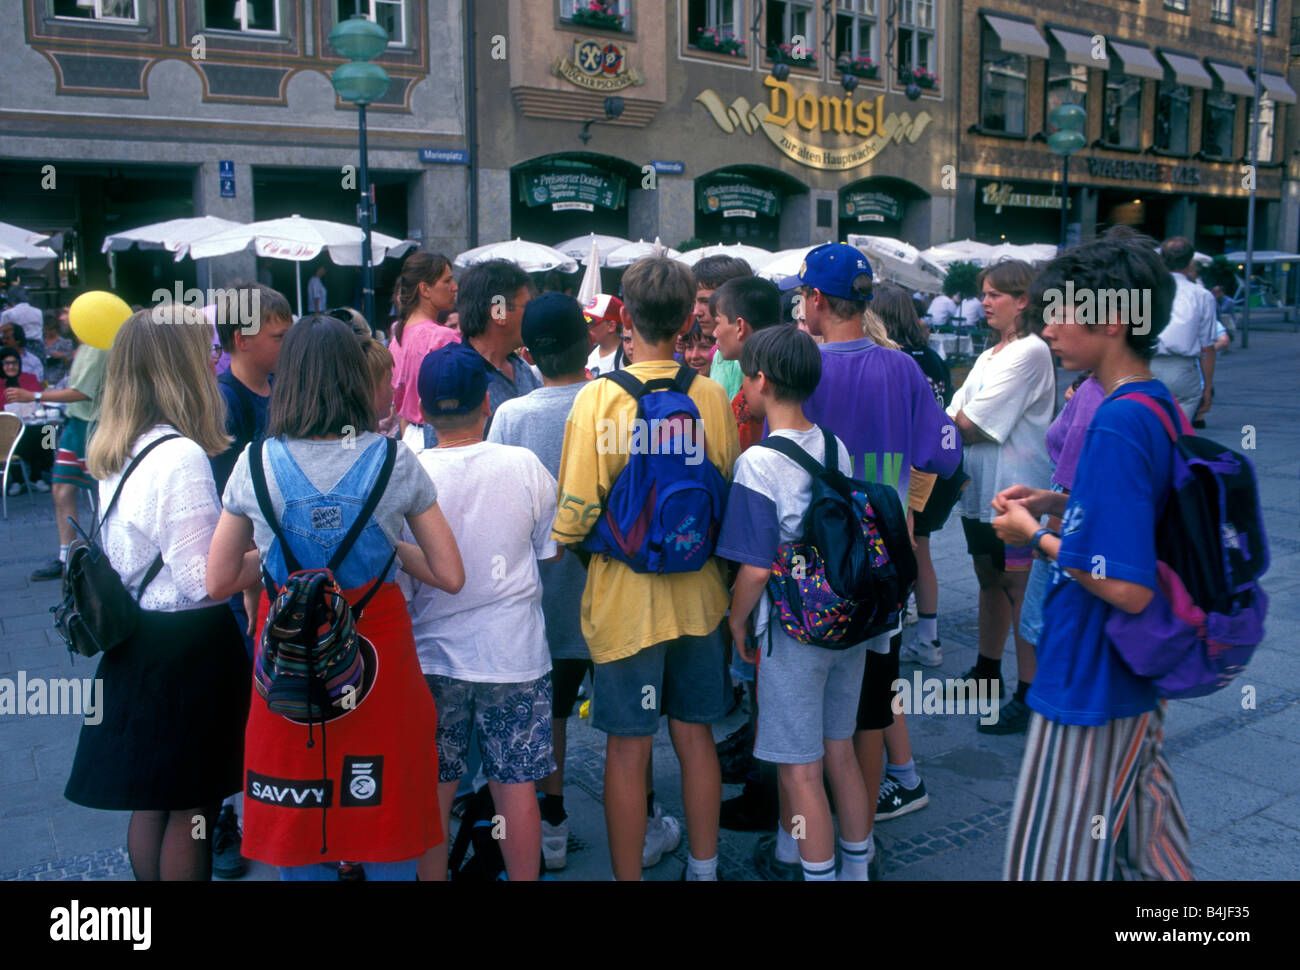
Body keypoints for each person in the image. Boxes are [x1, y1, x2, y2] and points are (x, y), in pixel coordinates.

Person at [207, 314, 464, 881]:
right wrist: (390, 545)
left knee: (300, 819)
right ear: (354, 378)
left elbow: (219, 580)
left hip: (292, 666)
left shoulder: (254, 466)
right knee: (388, 817)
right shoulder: (395, 461)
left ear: (288, 380)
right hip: (378, 662)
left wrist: (274, 561)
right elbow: (450, 573)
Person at [991, 229, 1191, 881]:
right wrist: (1057, 501)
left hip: (1091, 676)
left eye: (1060, 312)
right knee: (1150, 848)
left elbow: (1126, 587)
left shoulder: (1114, 420)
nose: (1048, 330)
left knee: (1049, 864)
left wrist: (1034, 535)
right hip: (1130, 678)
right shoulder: (1151, 403)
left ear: (1110, 320)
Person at [552, 256, 741, 881]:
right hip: (700, 600)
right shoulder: (710, 394)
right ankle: (705, 868)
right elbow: (726, 490)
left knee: (628, 749)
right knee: (696, 737)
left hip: (623, 604)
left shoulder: (597, 399)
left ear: (625, 317)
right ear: (691, 319)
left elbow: (575, 512)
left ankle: (629, 875)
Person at [780, 243, 961, 873]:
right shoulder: (904, 368)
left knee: (805, 710)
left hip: (816, 567)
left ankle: (805, 836)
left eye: (804, 295)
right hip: (887, 563)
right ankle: (862, 843)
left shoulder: (800, 367)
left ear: (817, 301)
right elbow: (945, 453)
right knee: (873, 704)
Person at [63, 305, 251, 881]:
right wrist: (273, 552)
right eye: (208, 350)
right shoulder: (181, 455)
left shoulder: (118, 443)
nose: (216, 359)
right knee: (192, 806)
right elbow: (204, 580)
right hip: (186, 648)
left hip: (140, 642)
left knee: (154, 797)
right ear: (180, 366)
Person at [716, 325, 873, 881]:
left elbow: (756, 567)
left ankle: (816, 872)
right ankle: (856, 867)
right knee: (840, 753)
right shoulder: (835, 445)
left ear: (760, 380)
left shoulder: (758, 463)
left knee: (798, 770)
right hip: (845, 624)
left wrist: (738, 624)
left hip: (793, 632)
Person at [402, 342, 559, 881]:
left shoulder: (410, 474)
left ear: (420, 410)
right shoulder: (524, 466)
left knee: (435, 788)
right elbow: (549, 552)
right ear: (487, 403)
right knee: (515, 788)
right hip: (514, 654)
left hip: (433, 657)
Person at [487, 293, 594, 871]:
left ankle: (551, 819)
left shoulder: (513, 416)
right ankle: (649, 811)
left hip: (544, 590)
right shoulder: (612, 403)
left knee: (550, 707)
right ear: (592, 343)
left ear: (528, 354)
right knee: (629, 713)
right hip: (610, 587)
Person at [202, 281, 292, 878]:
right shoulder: (224, 402)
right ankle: (217, 820)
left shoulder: (280, 388)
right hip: (243, 575)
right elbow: (219, 505)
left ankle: (279, 799)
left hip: (283, 570)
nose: (287, 344)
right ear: (242, 338)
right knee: (236, 699)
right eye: (279, 336)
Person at [945, 260, 1055, 735]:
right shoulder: (994, 351)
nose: (984, 302)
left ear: (1023, 300)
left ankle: (1030, 691)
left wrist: (946, 427)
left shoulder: (1030, 351)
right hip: (980, 489)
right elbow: (954, 412)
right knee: (988, 579)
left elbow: (969, 425)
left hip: (1015, 490)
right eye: (983, 294)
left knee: (1019, 588)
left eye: (994, 294)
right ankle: (987, 673)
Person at [10, 332, 108, 581]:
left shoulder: (99, 347)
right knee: (61, 488)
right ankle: (66, 558)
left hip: (91, 426)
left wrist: (33, 395)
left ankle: (107, 553)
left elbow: (82, 392)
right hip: (75, 425)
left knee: (102, 492)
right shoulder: (84, 347)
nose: (67, 319)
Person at [455, 259, 541, 415]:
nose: (533, 314)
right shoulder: (457, 378)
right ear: (498, 313)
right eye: (527, 307)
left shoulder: (522, 368)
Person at [389, 251, 459, 436]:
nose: (454, 287)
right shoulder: (443, 337)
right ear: (425, 289)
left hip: (409, 434)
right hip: (440, 435)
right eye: (447, 281)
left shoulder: (397, 338)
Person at [1152, 238, 1219, 426]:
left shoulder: (1145, 290)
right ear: (1190, 262)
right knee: (1178, 435)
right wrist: (1208, 387)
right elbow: (1207, 348)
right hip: (1181, 371)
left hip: (1142, 367)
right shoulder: (1202, 296)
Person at [692, 254, 753, 400]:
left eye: (705, 301)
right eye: (694, 302)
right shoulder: (717, 353)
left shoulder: (765, 358)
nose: (696, 312)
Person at [2, 347, 52, 494]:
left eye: (14, 363)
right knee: (15, 432)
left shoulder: (29, 378)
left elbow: (39, 399)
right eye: (6, 363)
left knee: (48, 431)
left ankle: (38, 475)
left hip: (32, 424)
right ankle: (18, 479)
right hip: (7, 428)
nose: (11, 366)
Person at [583, 293, 625, 377]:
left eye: (591, 323)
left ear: (611, 326)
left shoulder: (625, 358)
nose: (586, 327)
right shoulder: (589, 351)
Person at [41, 311, 74, 388]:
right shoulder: (40, 343)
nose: (49, 332)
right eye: (47, 329)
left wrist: (62, 356)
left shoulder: (66, 342)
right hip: (43, 379)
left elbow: (70, 364)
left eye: (52, 329)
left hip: (59, 380)